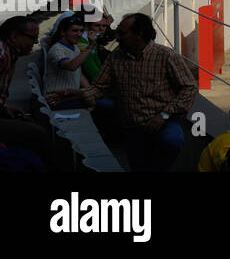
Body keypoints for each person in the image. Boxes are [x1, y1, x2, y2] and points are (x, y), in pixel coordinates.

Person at [49, 13, 196, 171]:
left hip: (163, 122)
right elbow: (99, 87)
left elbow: (189, 87)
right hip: (132, 127)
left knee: (171, 142)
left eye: (122, 33)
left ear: (138, 35)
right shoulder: (116, 57)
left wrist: (164, 115)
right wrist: (78, 94)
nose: (116, 37)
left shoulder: (166, 56)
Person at [0, 15, 47, 164]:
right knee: (37, 134)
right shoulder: (2, 55)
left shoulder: (10, 54)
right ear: (14, 37)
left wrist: (3, 108)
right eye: (32, 38)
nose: (35, 43)